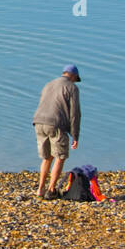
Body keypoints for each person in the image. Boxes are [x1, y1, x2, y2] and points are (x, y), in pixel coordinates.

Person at [33, 64, 82, 200]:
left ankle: (40, 189)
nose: (74, 81)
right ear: (72, 76)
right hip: (55, 124)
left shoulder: (49, 84)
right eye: (75, 78)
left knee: (47, 157)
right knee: (60, 156)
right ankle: (51, 189)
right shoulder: (72, 88)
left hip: (38, 122)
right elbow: (75, 114)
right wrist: (75, 135)